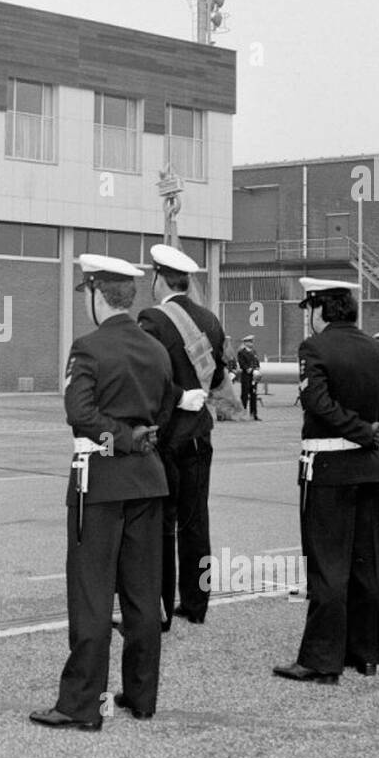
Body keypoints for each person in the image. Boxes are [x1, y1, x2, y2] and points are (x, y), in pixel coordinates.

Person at [31, 255, 173, 731]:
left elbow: (80, 413)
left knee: (92, 595)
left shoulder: (88, 347)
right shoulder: (156, 349)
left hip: (99, 482)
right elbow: (166, 412)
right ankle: (140, 695)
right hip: (148, 481)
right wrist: (136, 439)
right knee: (141, 592)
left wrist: (119, 439)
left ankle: (81, 705)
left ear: (95, 294)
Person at [273, 278, 379, 684]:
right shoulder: (378, 348)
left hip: (326, 467)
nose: (308, 318)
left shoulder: (315, 348)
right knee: (367, 563)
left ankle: (322, 660)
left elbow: (317, 403)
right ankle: (366, 652)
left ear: (320, 309)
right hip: (368, 467)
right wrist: (366, 432)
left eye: (309, 309)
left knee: (327, 565)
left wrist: (356, 429)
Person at [136, 244, 226, 628]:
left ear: (159, 278)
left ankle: (160, 609)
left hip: (167, 437)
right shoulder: (210, 320)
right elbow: (218, 378)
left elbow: (148, 378)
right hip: (200, 436)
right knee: (196, 524)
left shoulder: (153, 320)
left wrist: (176, 397)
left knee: (161, 525)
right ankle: (196, 603)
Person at [236, 334, 261, 420]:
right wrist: (249, 369)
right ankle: (242, 414)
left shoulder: (253, 352)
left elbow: (256, 362)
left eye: (252, 341)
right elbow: (242, 363)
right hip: (246, 376)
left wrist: (257, 369)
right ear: (245, 343)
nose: (251, 343)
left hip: (254, 376)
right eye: (250, 341)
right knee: (244, 395)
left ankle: (254, 414)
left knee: (254, 395)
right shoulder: (241, 352)